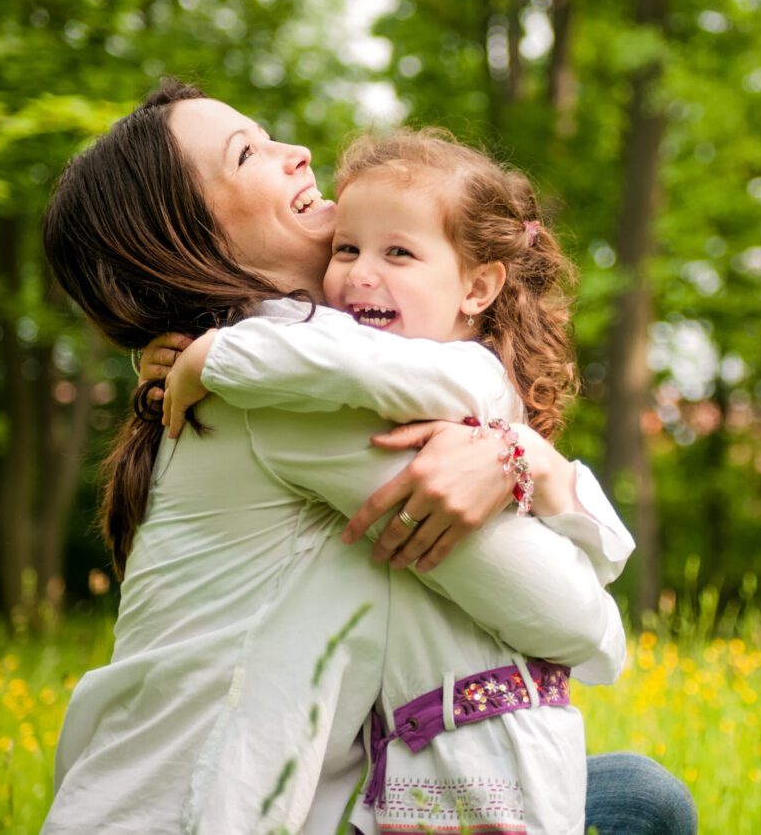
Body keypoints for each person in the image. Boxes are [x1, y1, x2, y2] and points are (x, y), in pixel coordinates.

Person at [39, 80, 696, 834]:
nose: (297, 153)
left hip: (282, 801)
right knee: (643, 800)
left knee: (628, 793)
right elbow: (584, 630)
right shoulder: (289, 387)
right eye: (249, 153)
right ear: (186, 235)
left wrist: (520, 456)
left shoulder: (267, 362)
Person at [154, 128, 607, 833]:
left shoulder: (457, 376)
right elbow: (341, 364)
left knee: (640, 793)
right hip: (421, 758)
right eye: (348, 250)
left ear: (478, 287)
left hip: (495, 752)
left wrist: (218, 355)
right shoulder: (346, 381)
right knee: (641, 794)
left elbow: (592, 617)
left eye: (397, 252)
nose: (360, 272)